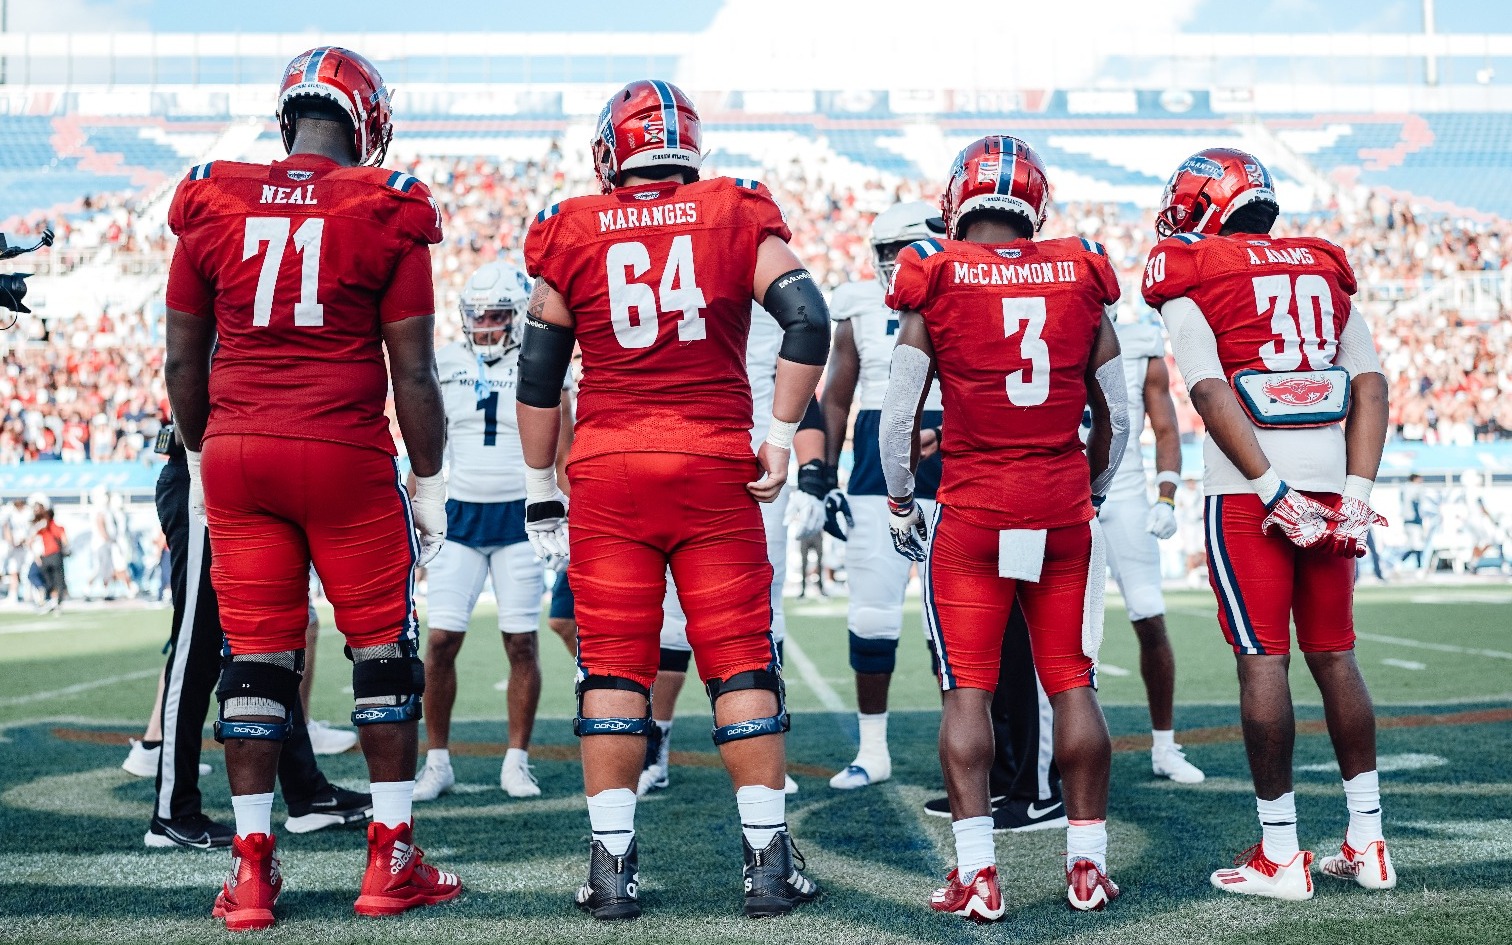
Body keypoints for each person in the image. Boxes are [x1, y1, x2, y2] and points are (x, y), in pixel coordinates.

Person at [163, 46, 462, 930]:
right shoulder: (386, 202)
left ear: (288, 114)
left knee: (256, 659)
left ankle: (252, 868)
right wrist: (431, 480)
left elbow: (182, 361)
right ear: (366, 122)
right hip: (343, 452)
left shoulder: (212, 195)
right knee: (382, 652)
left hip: (240, 451)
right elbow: (414, 373)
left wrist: (203, 453)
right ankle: (389, 857)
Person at [517, 79, 827, 920]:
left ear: (613, 151)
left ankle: (612, 868)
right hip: (713, 464)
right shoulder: (733, 209)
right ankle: (766, 863)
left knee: (613, 663)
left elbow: (538, 377)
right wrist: (778, 434)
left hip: (610, 471)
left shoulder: (572, 225)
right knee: (741, 658)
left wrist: (541, 490)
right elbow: (808, 318)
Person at [881, 135, 1126, 919]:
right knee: (1073, 683)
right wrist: (1089, 489)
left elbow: (897, 420)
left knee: (967, 694)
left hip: (974, 512)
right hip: (1060, 508)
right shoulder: (1082, 271)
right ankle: (1087, 868)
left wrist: (899, 501)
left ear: (959, 199)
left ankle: (979, 875)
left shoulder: (936, 272)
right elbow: (1117, 418)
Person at [1143, 147, 1395, 900]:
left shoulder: (1190, 269)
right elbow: (1371, 386)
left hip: (1250, 491)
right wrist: (1355, 494)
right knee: (1336, 657)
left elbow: (1208, 389)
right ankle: (1368, 841)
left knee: (1263, 662)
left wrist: (1269, 487)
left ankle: (1282, 853)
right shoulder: (1322, 265)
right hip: (1331, 484)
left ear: (1204, 206)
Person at [139, 425, 371, 849]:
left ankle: (306, 792)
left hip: (249, 480)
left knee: (269, 643)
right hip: (204, 478)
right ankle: (172, 811)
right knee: (195, 649)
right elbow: (188, 392)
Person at [414, 261, 572, 802]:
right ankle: (437, 762)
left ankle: (516, 761)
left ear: (520, 316)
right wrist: (417, 501)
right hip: (460, 515)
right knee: (440, 641)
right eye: (477, 315)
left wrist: (567, 510)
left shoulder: (540, 359)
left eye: (496, 315)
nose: (484, 325)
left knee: (521, 641)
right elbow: (428, 441)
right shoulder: (446, 360)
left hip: (521, 516)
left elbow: (565, 449)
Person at [815, 201, 945, 791]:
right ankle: (873, 750)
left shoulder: (962, 287)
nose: (892, 262)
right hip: (874, 467)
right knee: (871, 612)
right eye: (885, 252)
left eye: (902, 248)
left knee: (951, 621)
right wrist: (827, 477)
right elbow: (837, 397)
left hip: (956, 465)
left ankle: (966, 748)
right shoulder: (858, 302)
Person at [1092, 319, 1205, 783]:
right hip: (1061, 491)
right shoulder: (1046, 321)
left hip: (1123, 494)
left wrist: (1166, 495)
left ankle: (1164, 745)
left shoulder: (1138, 342)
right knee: (1054, 627)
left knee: (1149, 613)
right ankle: (1046, 750)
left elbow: (1165, 428)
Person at [32, 496, 67, 614]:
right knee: (57, 581)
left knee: (50, 581)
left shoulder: (44, 527)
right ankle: (56, 603)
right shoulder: (55, 527)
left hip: (46, 556)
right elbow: (65, 541)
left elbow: (32, 539)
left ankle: (53, 602)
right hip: (55, 556)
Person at [4, 496, 33, 602]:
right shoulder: (9, 510)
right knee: (13, 570)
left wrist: (26, 540)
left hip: (27, 546)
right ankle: (13, 595)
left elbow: (33, 528)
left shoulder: (29, 511)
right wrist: (11, 542)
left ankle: (29, 596)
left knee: (27, 571)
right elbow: (6, 527)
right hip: (14, 547)